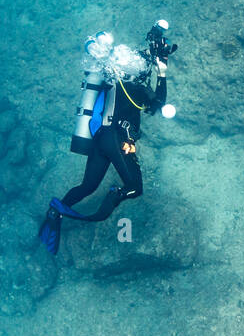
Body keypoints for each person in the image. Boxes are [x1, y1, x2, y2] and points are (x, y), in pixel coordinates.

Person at [38, 48, 169, 255]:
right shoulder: (137, 89)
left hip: (100, 137)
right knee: (135, 187)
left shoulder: (112, 82)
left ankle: (55, 212)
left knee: (87, 186)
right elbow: (159, 104)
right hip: (115, 140)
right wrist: (161, 72)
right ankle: (113, 195)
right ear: (141, 73)